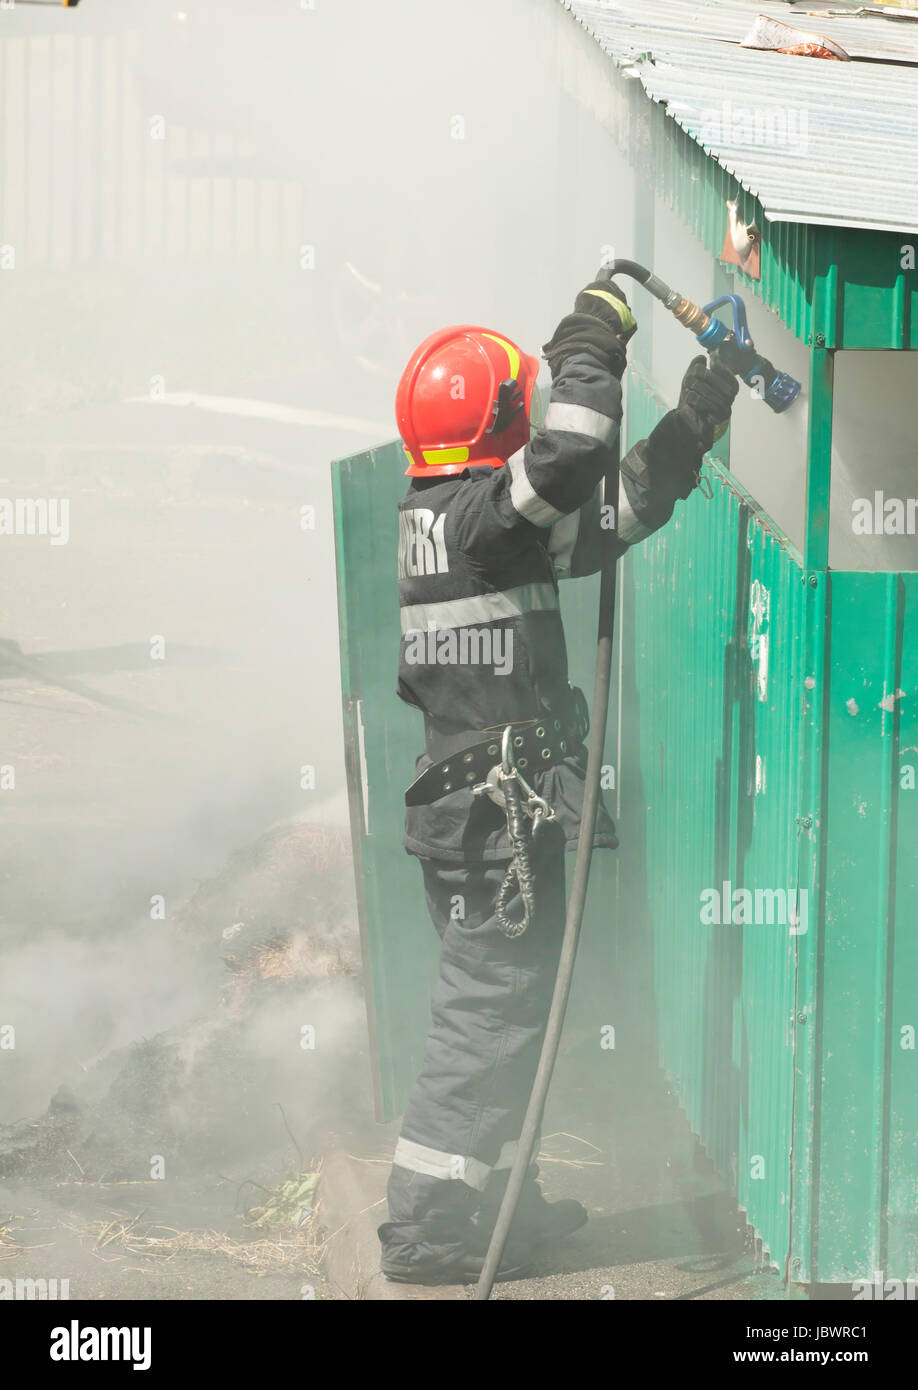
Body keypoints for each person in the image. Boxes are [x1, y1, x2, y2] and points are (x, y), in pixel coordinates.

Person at [378, 279, 738, 1284]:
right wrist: (594, 334)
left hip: (489, 816)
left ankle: (498, 1208)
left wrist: (701, 409)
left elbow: (612, 507)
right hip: (490, 825)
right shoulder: (481, 518)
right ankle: (425, 1229)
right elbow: (576, 448)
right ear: (495, 421)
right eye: (519, 406)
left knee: (513, 1016)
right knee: (486, 1012)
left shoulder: (461, 518)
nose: (532, 416)